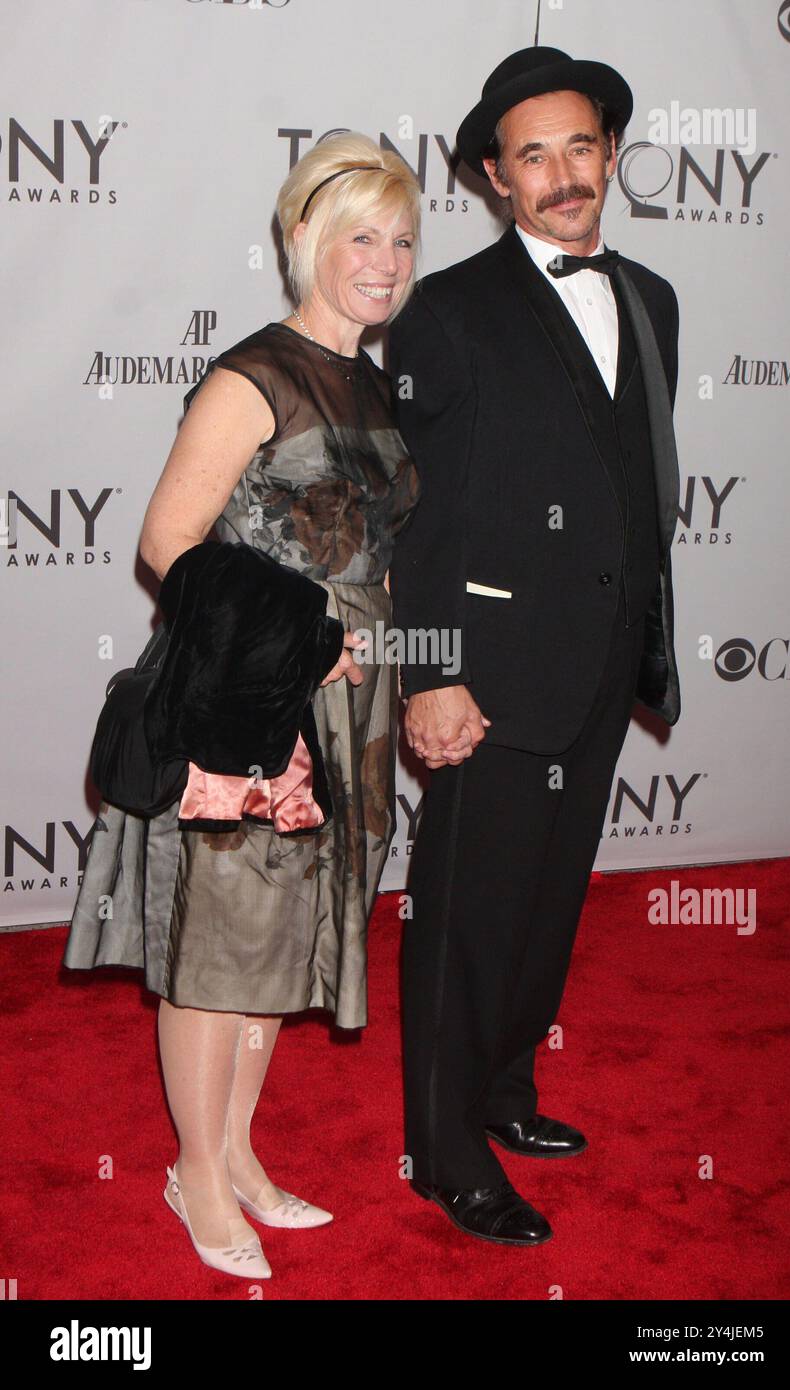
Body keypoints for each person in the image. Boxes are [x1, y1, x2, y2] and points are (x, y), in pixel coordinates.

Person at [62, 132, 421, 1279]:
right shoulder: (252, 375)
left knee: (283, 948)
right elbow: (167, 541)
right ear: (304, 238)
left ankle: (240, 1152)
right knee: (219, 949)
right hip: (253, 705)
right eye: (359, 234)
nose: (384, 258)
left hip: (348, 710)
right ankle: (196, 1176)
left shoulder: (370, 379)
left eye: (403, 237)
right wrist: (308, 639)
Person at [388, 46, 681, 1245]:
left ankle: (506, 1089)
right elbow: (415, 515)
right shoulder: (447, 310)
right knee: (464, 917)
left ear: (608, 154)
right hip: (490, 677)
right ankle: (442, 1149)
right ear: (496, 179)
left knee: (550, 902)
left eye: (579, 146)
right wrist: (433, 671)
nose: (562, 174)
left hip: (602, 662)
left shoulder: (651, 295)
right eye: (532, 156)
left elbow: (631, 478)